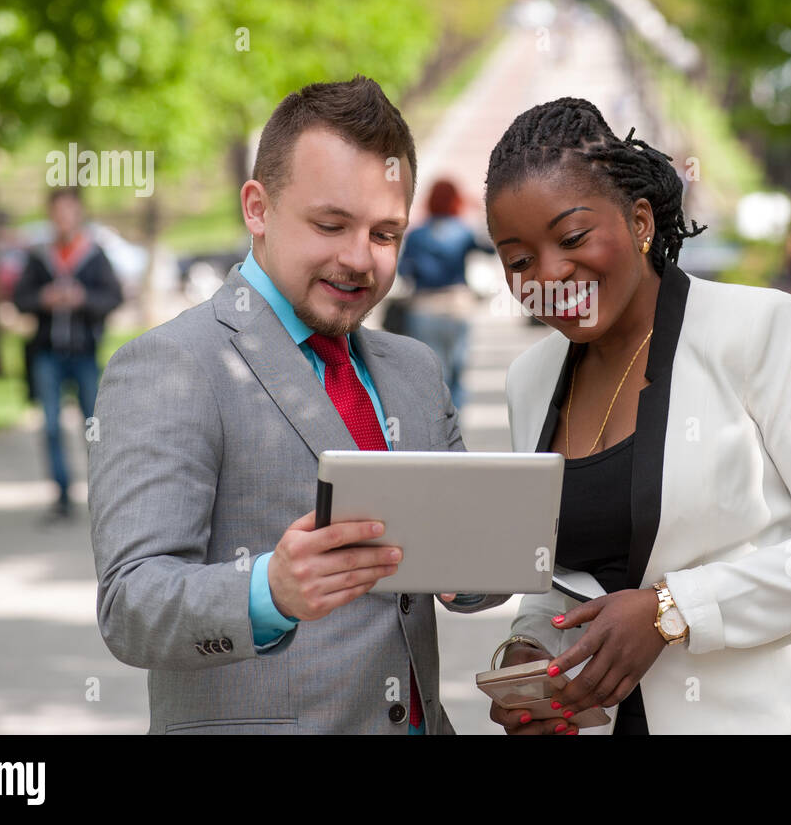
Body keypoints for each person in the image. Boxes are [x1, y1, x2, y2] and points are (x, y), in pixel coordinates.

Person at [89, 77, 505, 735]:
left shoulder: (415, 370)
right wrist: (269, 592)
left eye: (385, 232)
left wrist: (483, 560)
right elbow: (131, 605)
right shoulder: (171, 364)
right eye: (330, 224)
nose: (358, 258)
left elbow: (463, 577)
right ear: (257, 207)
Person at [481, 97, 791, 734]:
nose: (549, 273)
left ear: (641, 220)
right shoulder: (531, 379)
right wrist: (530, 650)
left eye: (572, 238)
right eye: (519, 261)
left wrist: (672, 611)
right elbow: (562, 575)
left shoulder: (760, 329)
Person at [13, 187, 123, 520]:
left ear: (79, 214)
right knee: (50, 426)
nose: (63, 219)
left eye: (69, 212)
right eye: (57, 212)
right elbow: (19, 299)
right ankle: (61, 496)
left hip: (85, 353)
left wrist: (83, 299)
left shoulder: (94, 255)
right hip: (47, 353)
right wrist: (43, 298)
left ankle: (103, 498)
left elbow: (113, 298)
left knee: (93, 426)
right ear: (50, 216)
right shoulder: (39, 257)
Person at [396, 178, 494, 408]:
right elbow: (490, 249)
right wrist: (480, 214)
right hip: (456, 306)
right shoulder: (463, 230)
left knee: (429, 372)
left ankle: (433, 423)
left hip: (424, 307)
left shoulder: (417, 234)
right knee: (457, 370)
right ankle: (454, 425)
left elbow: (403, 271)